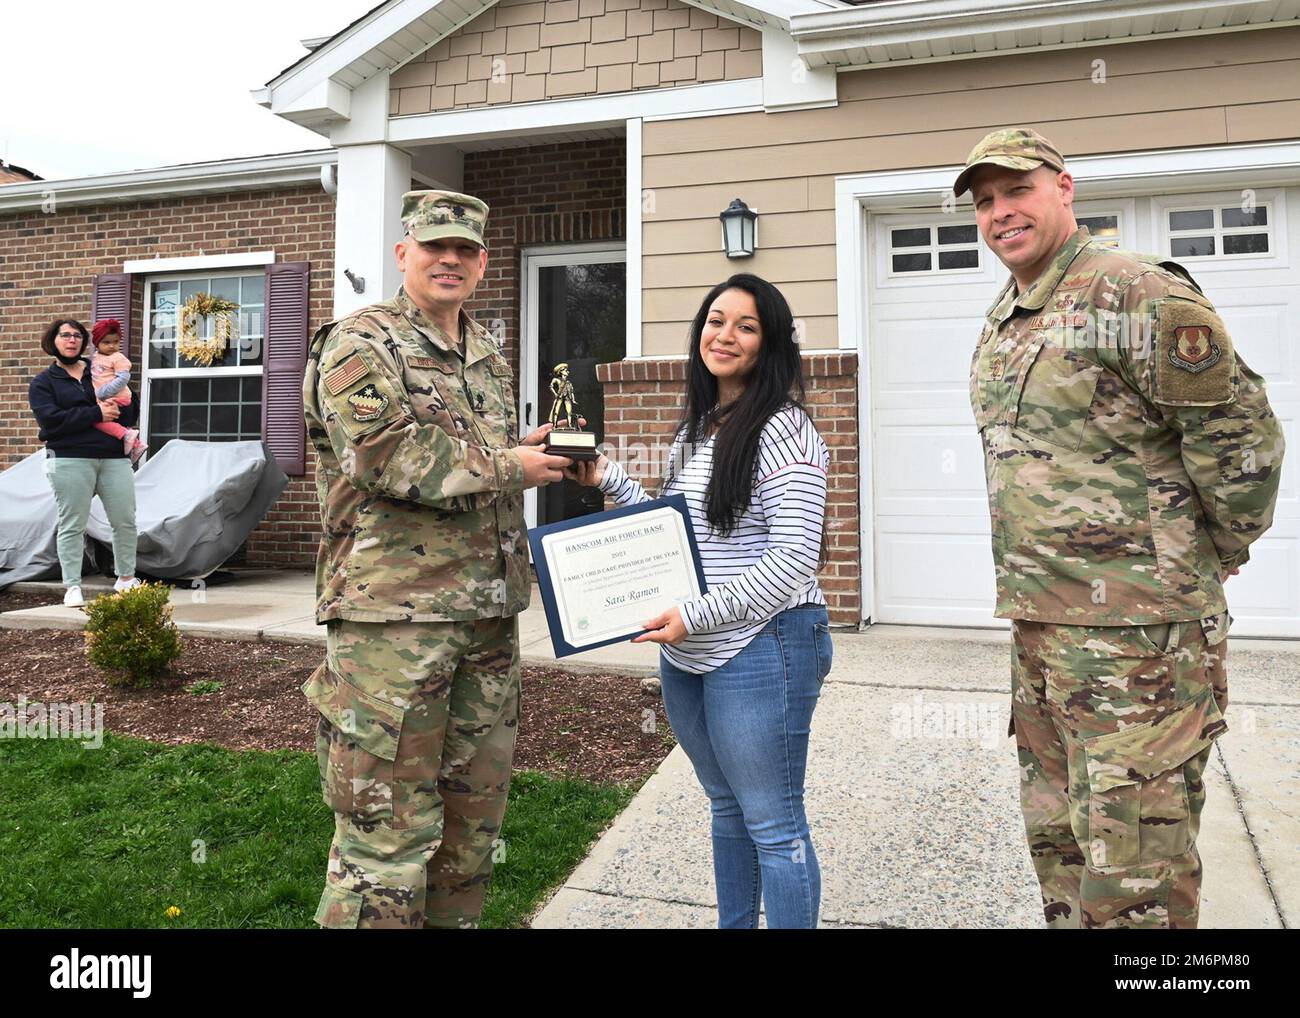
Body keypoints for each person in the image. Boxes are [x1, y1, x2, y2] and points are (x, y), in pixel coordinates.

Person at [957, 128, 1285, 929]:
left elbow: (1241, 441)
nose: (1001, 213)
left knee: (1134, 871)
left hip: (1140, 640)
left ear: (1064, 189)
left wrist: (1219, 548)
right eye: (986, 200)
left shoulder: (1135, 293)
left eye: (1017, 190)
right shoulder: (1013, 311)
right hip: (1042, 631)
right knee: (1064, 850)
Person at [301, 190, 572, 929]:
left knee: (470, 833)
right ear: (404, 255)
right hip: (394, 624)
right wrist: (514, 465)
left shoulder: (483, 354)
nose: (450, 260)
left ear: (483, 263)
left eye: (465, 250)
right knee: (385, 841)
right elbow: (386, 455)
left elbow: (479, 461)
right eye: (434, 248)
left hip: (486, 617)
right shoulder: (362, 342)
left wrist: (540, 454)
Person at [567, 273, 833, 928]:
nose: (726, 335)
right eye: (716, 320)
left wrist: (696, 614)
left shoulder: (786, 431)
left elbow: (795, 557)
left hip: (763, 648)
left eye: (746, 325)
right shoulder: (699, 429)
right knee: (726, 806)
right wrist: (609, 478)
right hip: (690, 654)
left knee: (774, 822)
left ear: (768, 344)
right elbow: (674, 534)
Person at [27, 318, 142, 607]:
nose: (72, 340)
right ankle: (72, 586)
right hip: (70, 458)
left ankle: (126, 578)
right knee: (72, 523)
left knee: (125, 521)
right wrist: (94, 414)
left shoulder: (99, 370)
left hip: (114, 457)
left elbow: (128, 409)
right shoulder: (44, 382)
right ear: (53, 340)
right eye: (65, 335)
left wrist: (114, 411)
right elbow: (51, 423)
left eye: (77, 335)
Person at [88, 318, 147, 464]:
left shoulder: (118, 357)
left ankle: (127, 434)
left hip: (119, 398)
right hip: (107, 398)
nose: (112, 346)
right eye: (106, 342)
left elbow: (123, 379)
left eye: (115, 342)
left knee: (97, 421)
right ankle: (136, 445)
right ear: (97, 343)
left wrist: (103, 393)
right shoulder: (96, 357)